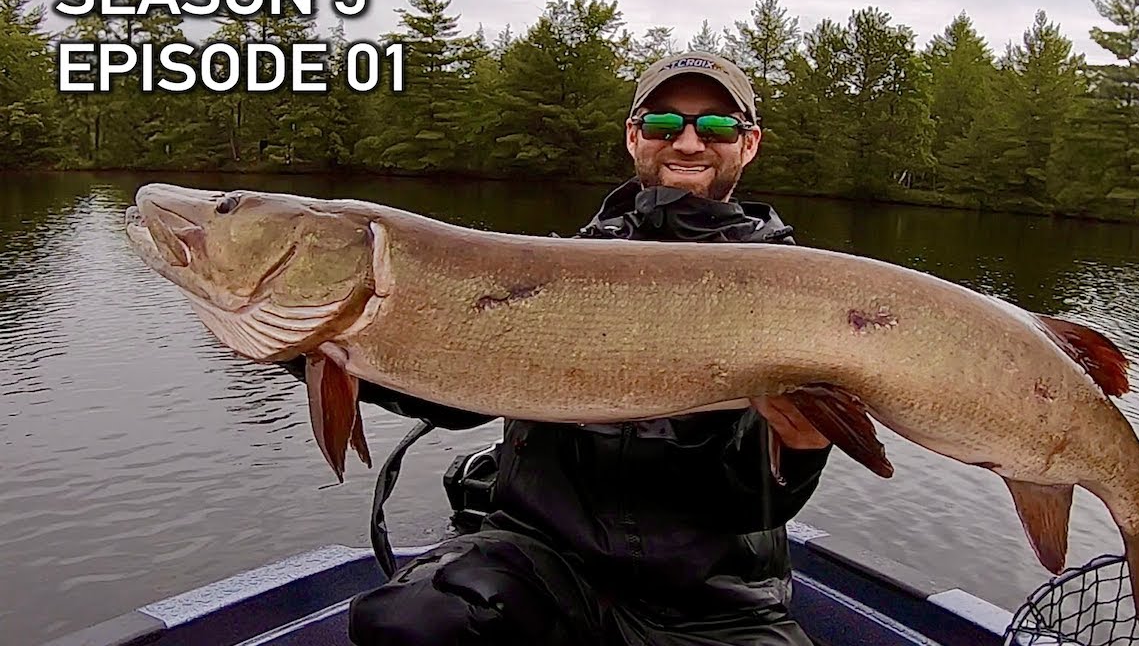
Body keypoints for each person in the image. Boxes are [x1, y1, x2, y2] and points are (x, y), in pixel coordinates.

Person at [338, 51, 834, 645]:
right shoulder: (552, 270)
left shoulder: (801, 296)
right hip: (541, 565)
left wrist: (801, 449)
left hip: (715, 600)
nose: (688, 142)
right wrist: (314, 340)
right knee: (411, 623)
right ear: (633, 136)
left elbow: (750, 506)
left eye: (717, 126)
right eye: (663, 123)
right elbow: (456, 393)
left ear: (748, 143)